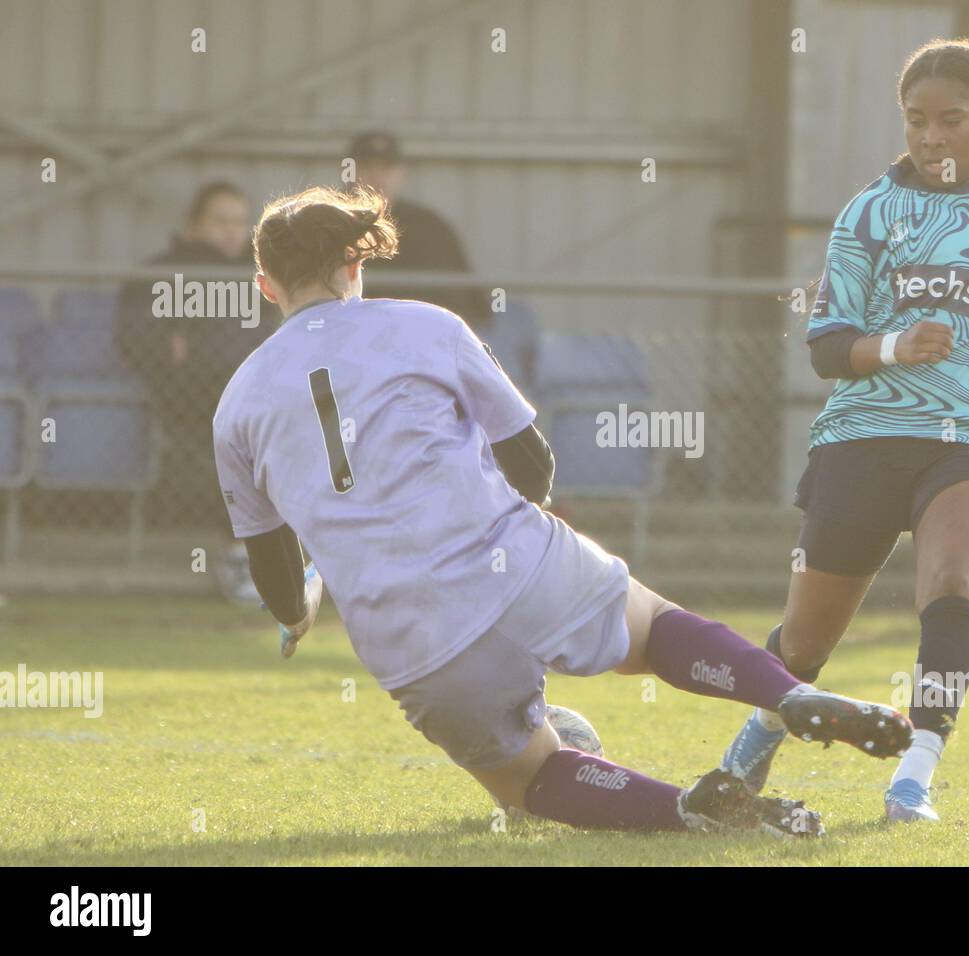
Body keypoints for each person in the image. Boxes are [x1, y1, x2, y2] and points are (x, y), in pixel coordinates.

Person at [211, 185, 915, 836]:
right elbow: (531, 462)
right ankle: (788, 698)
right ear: (353, 264)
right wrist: (525, 537)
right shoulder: (426, 326)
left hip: (413, 637)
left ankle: (687, 811)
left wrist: (297, 613)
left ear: (264, 285)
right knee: (654, 629)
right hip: (512, 557)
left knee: (529, 777)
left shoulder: (237, 405)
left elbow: (275, 576)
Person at [715, 38, 969, 824]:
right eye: (916, 121)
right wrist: (898, 345)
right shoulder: (870, 212)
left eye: (951, 120)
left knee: (953, 580)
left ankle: (916, 773)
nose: (932, 136)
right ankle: (758, 734)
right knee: (803, 646)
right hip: (864, 437)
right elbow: (827, 349)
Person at [114, 181, 269, 536]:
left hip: (250, 392)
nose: (232, 231)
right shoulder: (160, 271)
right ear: (194, 225)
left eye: (239, 221)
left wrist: (193, 343)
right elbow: (135, 334)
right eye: (220, 221)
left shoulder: (262, 275)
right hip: (182, 394)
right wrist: (175, 348)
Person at [346, 131, 489, 327]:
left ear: (401, 172)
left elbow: (468, 303)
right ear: (350, 172)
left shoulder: (430, 227)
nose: (377, 176)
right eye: (368, 166)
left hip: (425, 335)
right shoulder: (334, 225)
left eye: (386, 167)